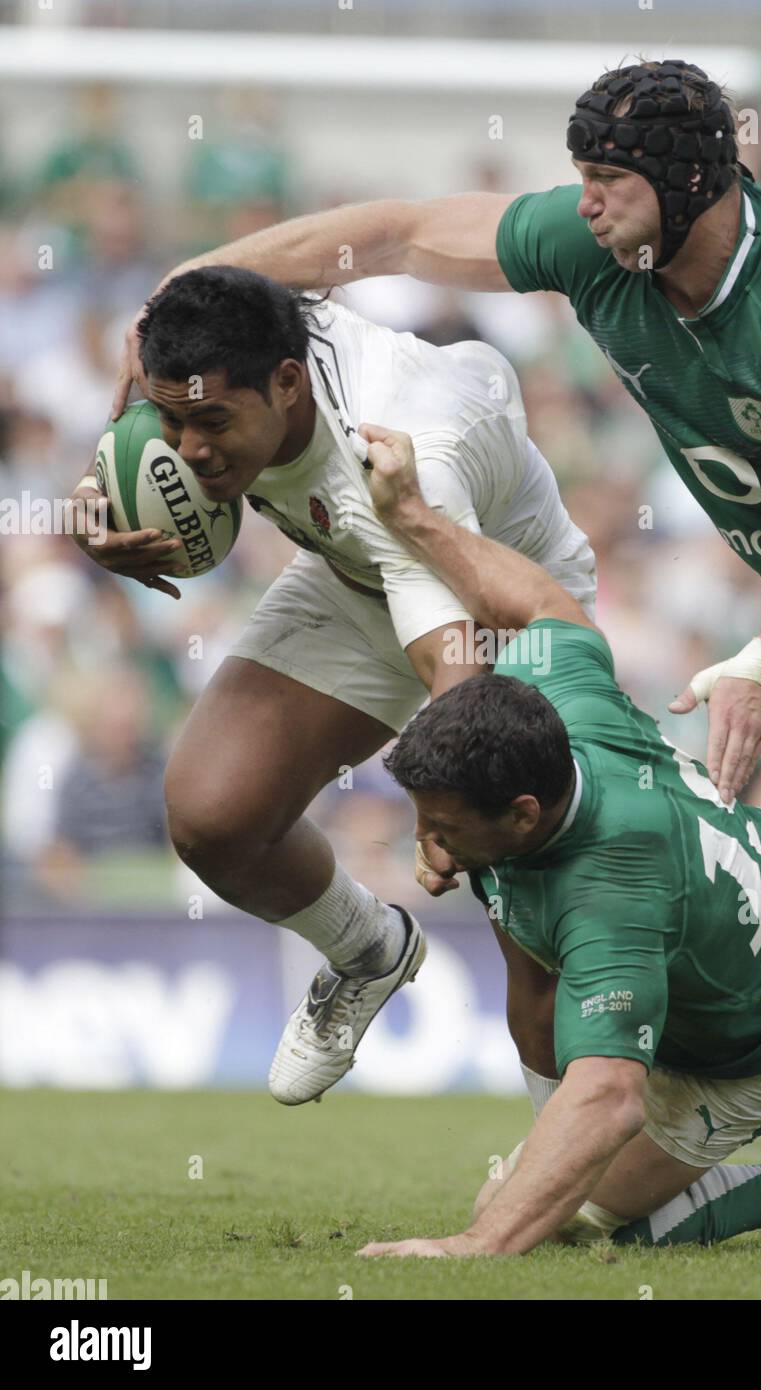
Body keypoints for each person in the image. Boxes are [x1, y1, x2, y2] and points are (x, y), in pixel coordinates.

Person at [112, 58, 761, 981]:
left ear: (692, 185)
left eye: (609, 181)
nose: (586, 205)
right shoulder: (592, 246)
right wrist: (182, 290)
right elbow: (395, 236)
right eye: (582, 178)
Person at [349, 422, 761, 1259]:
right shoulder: (559, 697)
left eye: (444, 824)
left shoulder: (606, 901)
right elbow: (545, 606)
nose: (428, 843)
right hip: (753, 864)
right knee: (535, 1184)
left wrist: (473, 1247)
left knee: (575, 1218)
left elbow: (607, 1096)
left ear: (523, 815)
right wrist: (412, 513)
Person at [71, 265, 596, 1103]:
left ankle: (575, 1181)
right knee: (213, 817)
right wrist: (105, 479)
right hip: (350, 575)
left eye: (210, 422)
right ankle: (368, 949)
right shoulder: (208, 350)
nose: (190, 449)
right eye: (170, 421)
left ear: (288, 383)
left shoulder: (394, 453)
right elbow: (145, 341)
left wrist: (440, 812)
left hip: (503, 599)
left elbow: (454, 663)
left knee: (526, 923)